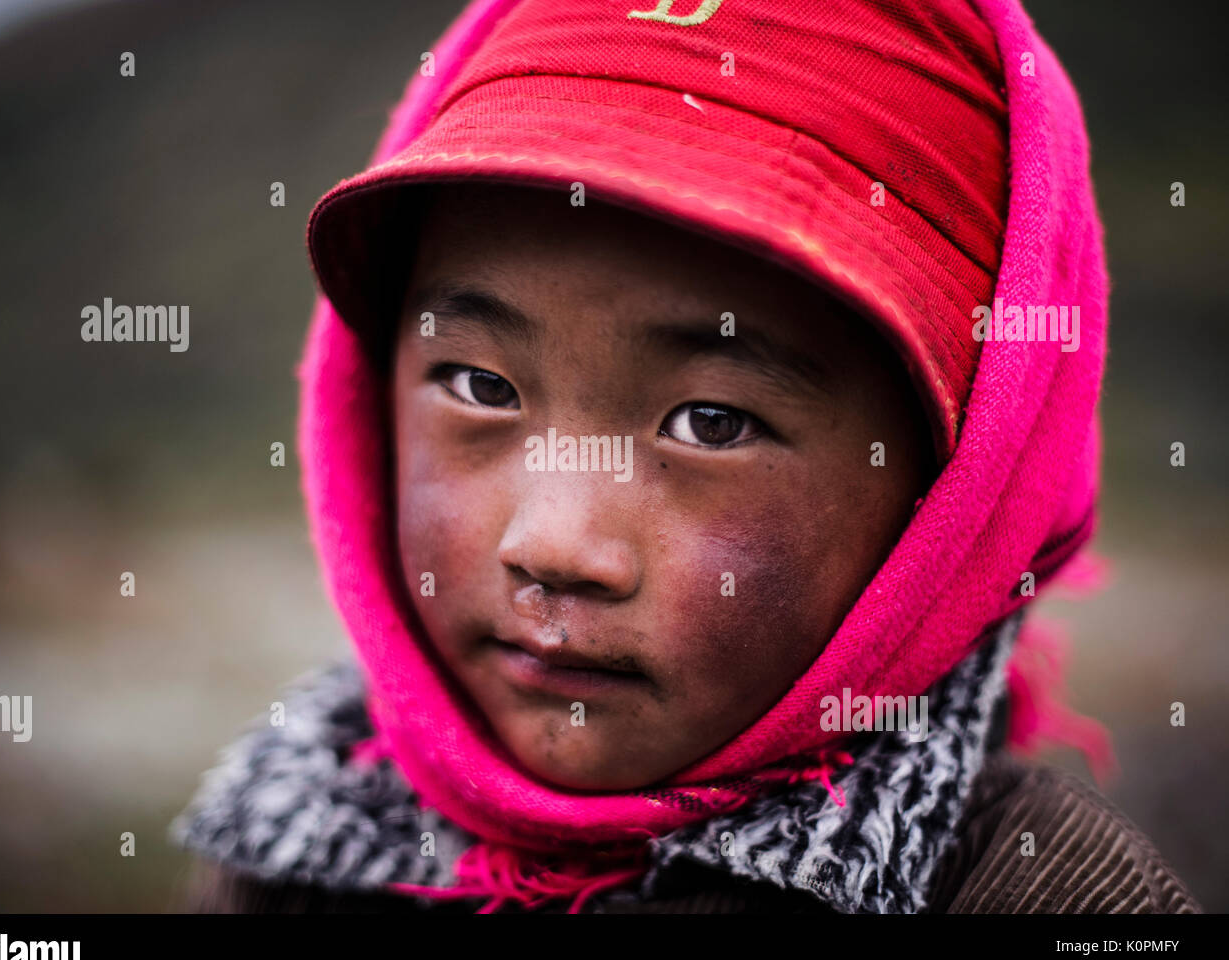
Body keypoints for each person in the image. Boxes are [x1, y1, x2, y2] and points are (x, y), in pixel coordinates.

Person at [170, 0, 1201, 913]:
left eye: (711, 423)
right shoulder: (298, 828)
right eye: (482, 386)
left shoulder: (1026, 885)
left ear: (951, 498)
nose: (554, 545)